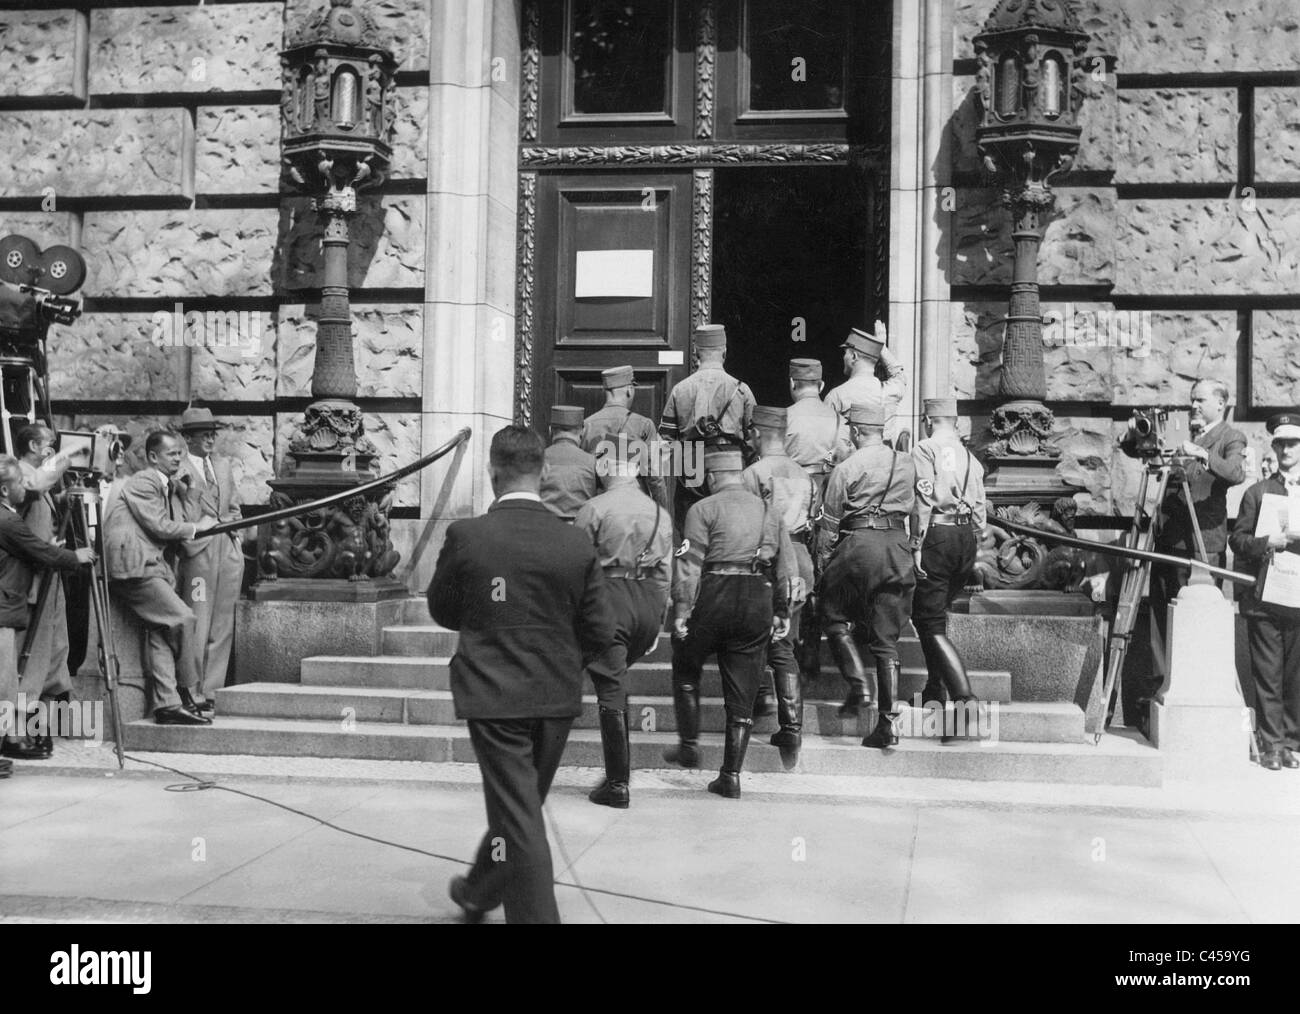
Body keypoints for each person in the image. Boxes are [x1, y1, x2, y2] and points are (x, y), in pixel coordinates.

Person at [430, 425, 617, 924]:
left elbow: (442, 609)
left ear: (493, 473)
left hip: (493, 694)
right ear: (545, 472)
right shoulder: (574, 541)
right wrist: (561, 657)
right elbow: (602, 629)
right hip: (553, 696)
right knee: (521, 807)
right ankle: (478, 891)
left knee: (519, 814)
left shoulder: (467, 535)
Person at [663, 448, 791, 798]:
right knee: (743, 691)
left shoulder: (702, 509)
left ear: (712, 477)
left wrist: (681, 611)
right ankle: (730, 775)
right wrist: (782, 610)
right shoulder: (768, 510)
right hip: (757, 597)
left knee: (686, 663)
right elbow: (783, 565)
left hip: (716, 592)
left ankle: (689, 744)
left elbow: (689, 564)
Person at [1138, 378, 1246, 732]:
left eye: (1200, 401)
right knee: (1159, 619)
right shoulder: (1181, 432)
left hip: (1203, 545)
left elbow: (1235, 472)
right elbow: (1141, 452)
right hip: (1168, 542)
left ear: (1221, 403)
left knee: (1198, 624)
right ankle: (1158, 693)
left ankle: (1198, 700)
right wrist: (1135, 433)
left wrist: (1200, 453)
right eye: (1191, 401)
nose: (1194, 406)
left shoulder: (1230, 437)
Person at [573, 452, 672, 807]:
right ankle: (615, 777)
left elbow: (576, 567)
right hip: (645, 602)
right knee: (613, 680)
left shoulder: (594, 508)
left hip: (607, 599)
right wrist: (657, 621)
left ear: (604, 469)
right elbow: (664, 575)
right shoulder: (659, 512)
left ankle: (617, 784)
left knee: (610, 688)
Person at [819, 403, 917, 749]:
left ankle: (858, 684)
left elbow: (829, 527)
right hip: (897, 547)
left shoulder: (846, 468)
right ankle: (887, 725)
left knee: (831, 613)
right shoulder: (908, 463)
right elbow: (919, 508)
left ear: (857, 432)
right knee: (886, 641)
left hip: (858, 546)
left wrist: (824, 565)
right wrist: (913, 545)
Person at [103, 431, 215, 725]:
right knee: (183, 619)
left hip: (148, 564)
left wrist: (187, 495)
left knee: (160, 632)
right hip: (135, 564)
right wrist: (197, 527)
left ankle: (167, 705)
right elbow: (160, 526)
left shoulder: (164, 484)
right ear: (153, 457)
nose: (178, 458)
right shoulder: (145, 480)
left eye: (180, 453)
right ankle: (187, 687)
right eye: (171, 454)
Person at [0, 456, 95, 762]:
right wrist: (70, 455)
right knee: (7, 679)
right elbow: (39, 549)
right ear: (5, 489)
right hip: (13, 602)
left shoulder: (10, 513)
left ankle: (20, 735)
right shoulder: (8, 519)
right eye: (19, 484)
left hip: (20, 599)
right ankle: (12, 736)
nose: (24, 488)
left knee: (20, 674)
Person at [741, 405, 815, 766]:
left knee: (766, 640)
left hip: (772, 561)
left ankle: (774, 715)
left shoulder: (753, 473)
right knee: (786, 638)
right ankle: (790, 722)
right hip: (802, 555)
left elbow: (752, 522)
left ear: (757, 434)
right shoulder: (806, 474)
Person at [1229, 412, 1300, 772]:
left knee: (1296, 677)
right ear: (1273, 445)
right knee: (1268, 674)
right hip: (1267, 598)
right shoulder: (1258, 493)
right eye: (1281, 442)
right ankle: (1271, 743)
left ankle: (1292, 742)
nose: (1287, 449)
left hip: (1299, 599)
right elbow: (1237, 539)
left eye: (1293, 442)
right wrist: (1264, 542)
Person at [910, 398, 986, 737]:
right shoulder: (971, 457)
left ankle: (964, 699)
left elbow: (922, 500)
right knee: (935, 616)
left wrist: (915, 544)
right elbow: (981, 510)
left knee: (928, 621)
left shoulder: (924, 449)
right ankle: (933, 691)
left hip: (936, 535)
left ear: (928, 420)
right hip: (965, 538)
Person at [14, 424, 81, 755]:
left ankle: (40, 723)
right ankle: (22, 728)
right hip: (32, 581)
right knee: (34, 655)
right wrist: (67, 456)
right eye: (49, 445)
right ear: (31, 445)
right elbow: (32, 485)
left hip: (49, 575)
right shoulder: (19, 474)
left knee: (55, 650)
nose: (52, 450)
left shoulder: (40, 474)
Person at [175, 407, 244, 712]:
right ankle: (191, 690)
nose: (210, 439)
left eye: (213, 433)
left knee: (223, 621)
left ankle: (212, 690)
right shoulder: (178, 470)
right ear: (187, 437)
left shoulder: (223, 466)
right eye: (204, 433)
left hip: (226, 549)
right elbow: (180, 514)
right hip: (198, 552)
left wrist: (235, 537)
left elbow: (234, 506)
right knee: (197, 619)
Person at [659, 323, 756, 533]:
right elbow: (754, 440)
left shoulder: (680, 390)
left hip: (690, 464)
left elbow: (665, 443)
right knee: (728, 527)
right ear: (725, 351)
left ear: (695, 352)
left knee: (691, 529)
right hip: (729, 464)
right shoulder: (742, 390)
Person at [784, 357, 841, 678]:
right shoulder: (835, 417)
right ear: (821, 386)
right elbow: (845, 457)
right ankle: (813, 648)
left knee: (793, 566)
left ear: (792, 384)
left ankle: (789, 645)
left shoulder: (785, 417)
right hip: (828, 496)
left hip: (793, 497)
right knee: (822, 571)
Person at [579, 365, 667, 508]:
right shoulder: (644, 425)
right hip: (634, 505)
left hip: (598, 505)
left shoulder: (586, 425)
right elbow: (655, 476)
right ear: (629, 390)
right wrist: (662, 512)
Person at [824, 321, 907, 452]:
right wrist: (882, 348)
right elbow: (899, 375)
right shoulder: (890, 390)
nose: (843, 357)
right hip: (886, 465)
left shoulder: (836, 396)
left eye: (845, 353)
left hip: (851, 466)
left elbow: (826, 440)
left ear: (854, 356)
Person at [539, 405, 598, 521]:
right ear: (583, 431)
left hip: (544, 528)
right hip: (580, 530)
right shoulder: (593, 462)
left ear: (550, 430)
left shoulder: (537, 459)